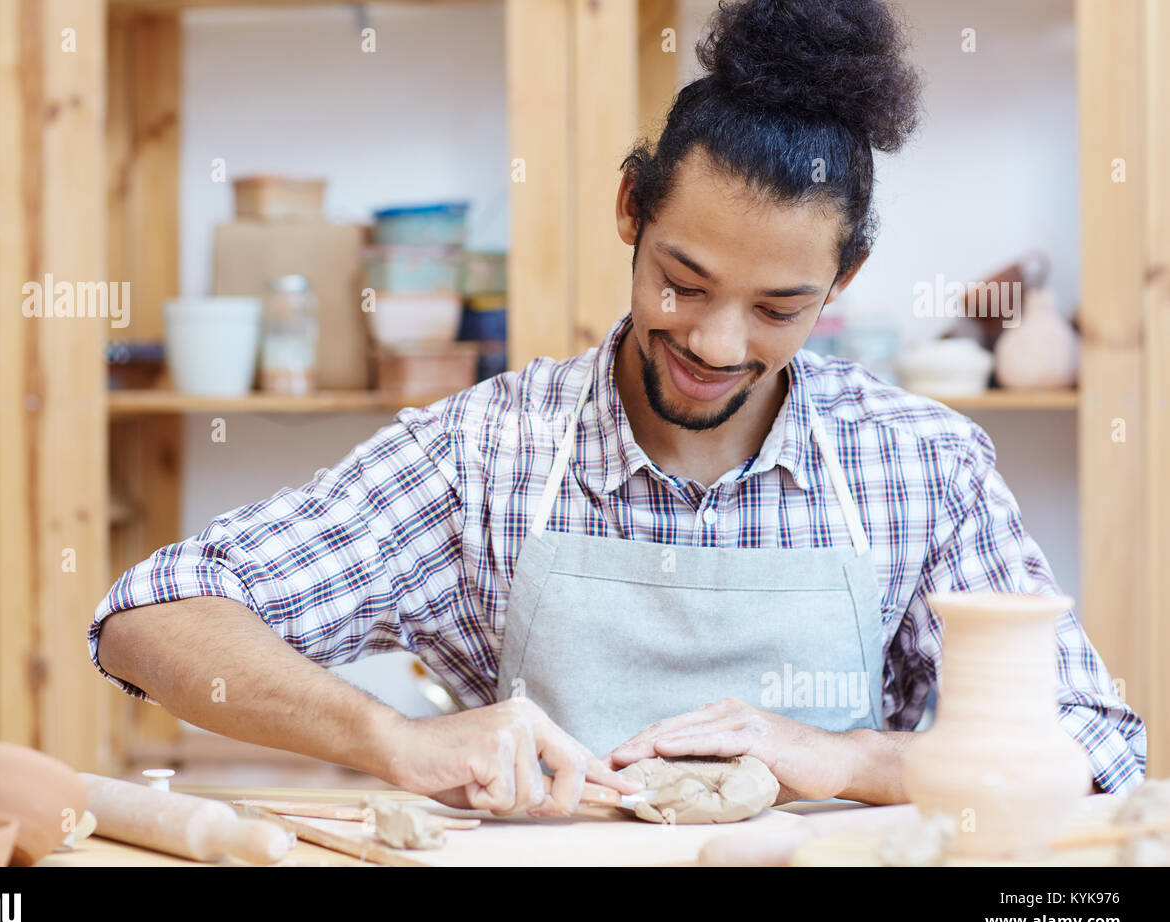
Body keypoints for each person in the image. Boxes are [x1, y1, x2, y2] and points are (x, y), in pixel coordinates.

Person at [90, 0, 1145, 815]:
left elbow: (1093, 752)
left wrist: (837, 756)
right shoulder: (486, 451)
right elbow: (148, 619)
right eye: (681, 282)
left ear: (845, 280)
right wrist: (394, 736)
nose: (716, 344)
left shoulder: (919, 465)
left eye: (779, 306)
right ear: (630, 210)